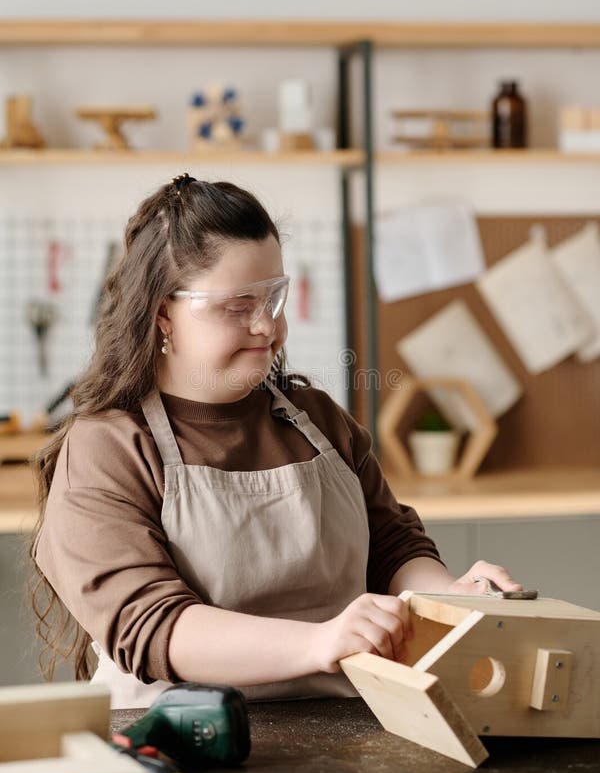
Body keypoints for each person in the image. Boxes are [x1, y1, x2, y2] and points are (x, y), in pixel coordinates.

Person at [30, 174, 523, 708]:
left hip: (356, 725)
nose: (268, 326)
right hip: (182, 741)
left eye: (274, 297)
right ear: (163, 313)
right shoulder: (107, 447)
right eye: (238, 306)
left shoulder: (319, 420)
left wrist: (450, 595)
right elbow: (152, 625)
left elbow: (393, 549)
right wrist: (320, 642)